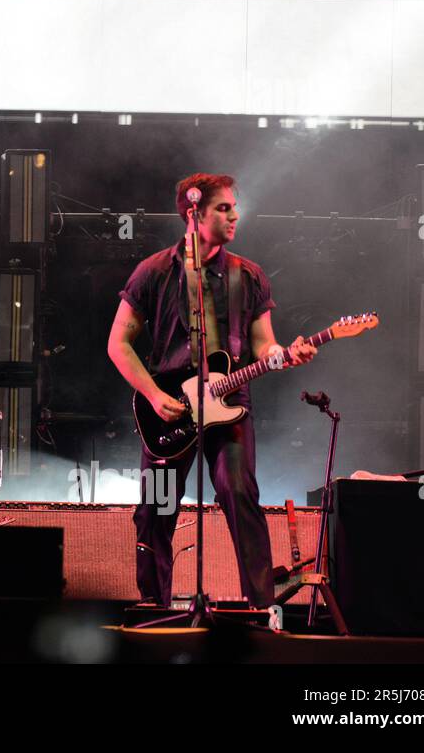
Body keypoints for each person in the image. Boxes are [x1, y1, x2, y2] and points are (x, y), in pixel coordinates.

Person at [107, 173, 317, 608]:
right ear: (194, 213)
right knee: (156, 509)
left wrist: (285, 353)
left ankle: (262, 608)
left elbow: (264, 345)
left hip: (230, 405)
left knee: (239, 491)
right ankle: (154, 608)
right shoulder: (153, 272)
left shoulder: (248, 276)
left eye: (234, 207)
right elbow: (118, 343)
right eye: (223, 208)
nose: (234, 215)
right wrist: (151, 394)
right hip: (168, 408)